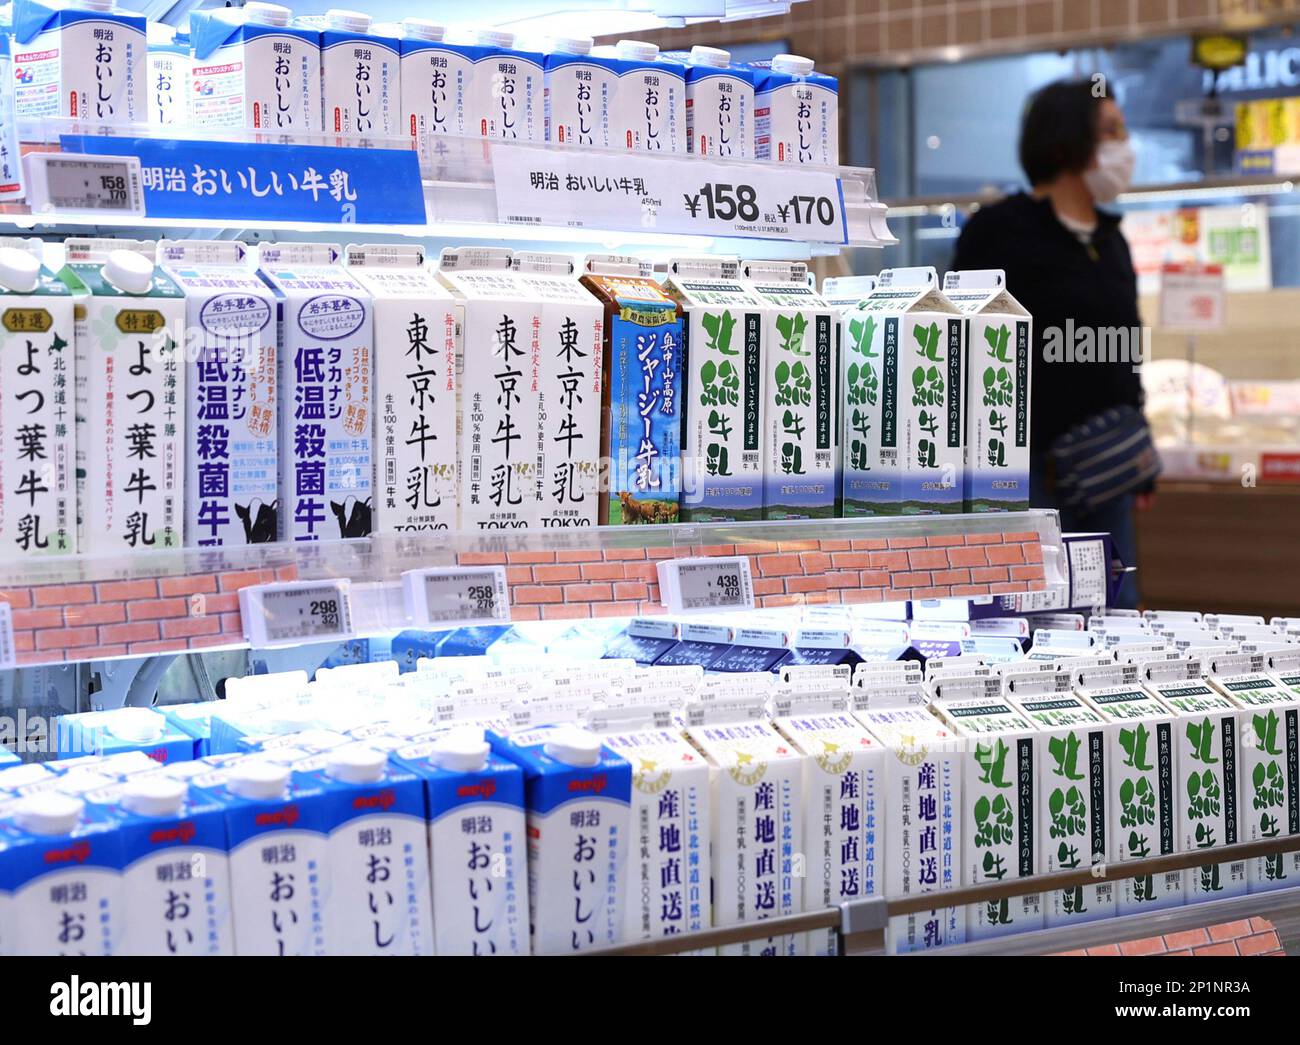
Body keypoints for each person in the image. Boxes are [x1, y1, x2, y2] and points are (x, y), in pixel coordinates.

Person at [951, 77, 1152, 608]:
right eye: (1111, 131)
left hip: (1107, 467)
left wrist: (1139, 449)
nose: (1124, 146)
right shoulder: (1000, 232)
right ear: (1067, 142)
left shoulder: (1111, 240)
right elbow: (965, 341)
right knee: (1033, 610)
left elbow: (1123, 348)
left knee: (1113, 606)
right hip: (1027, 469)